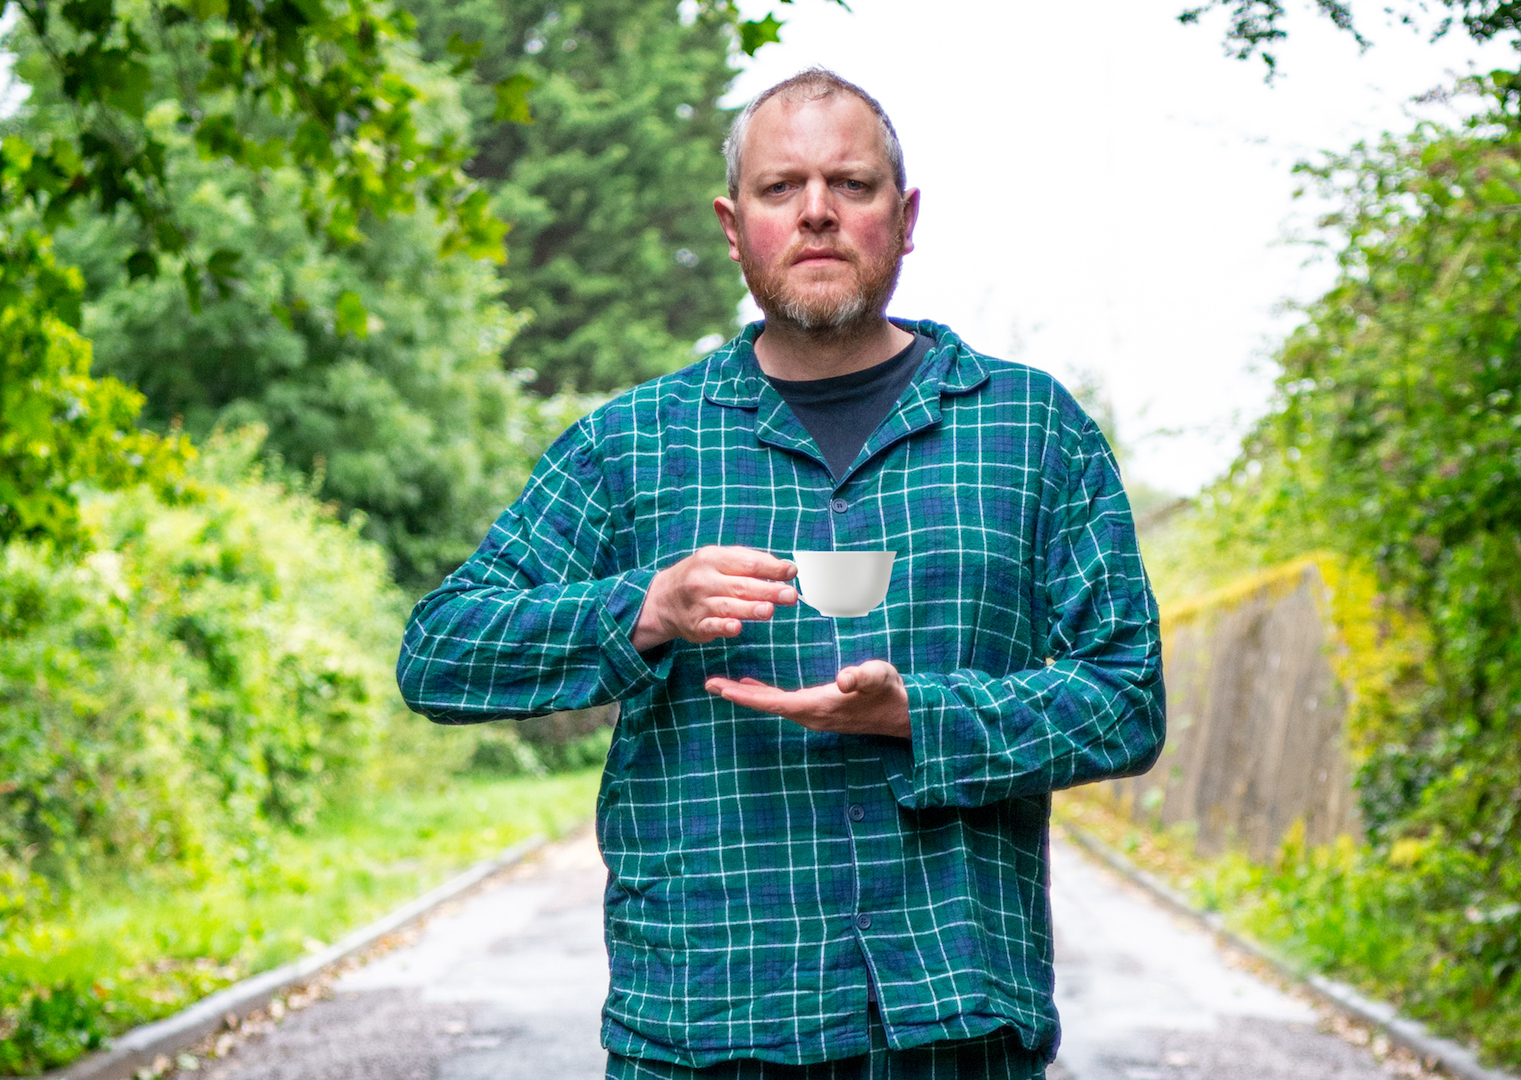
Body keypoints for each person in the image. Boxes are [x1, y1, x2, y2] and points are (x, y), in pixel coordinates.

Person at [397, 68, 1165, 1079]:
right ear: (733, 225)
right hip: (704, 1025)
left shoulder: (1029, 429)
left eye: (851, 183)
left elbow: (1127, 699)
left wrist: (920, 717)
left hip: (954, 1028)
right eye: (780, 187)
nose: (816, 211)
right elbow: (439, 652)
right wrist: (646, 606)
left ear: (905, 217)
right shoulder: (634, 443)